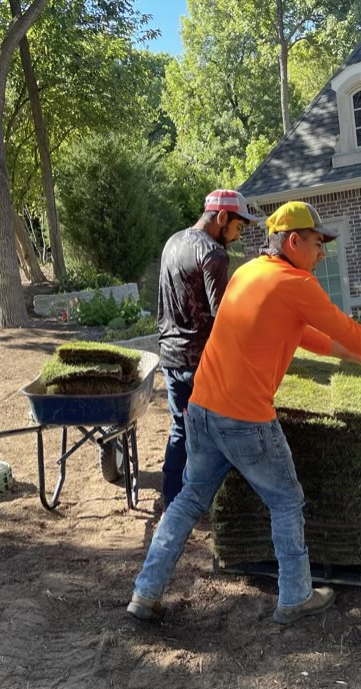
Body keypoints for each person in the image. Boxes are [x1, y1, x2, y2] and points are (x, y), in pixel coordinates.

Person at [128, 201, 361, 625]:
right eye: (317, 243)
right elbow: (339, 325)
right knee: (287, 499)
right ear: (293, 241)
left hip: (201, 409)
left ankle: (145, 593)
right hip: (245, 419)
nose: (322, 252)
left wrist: (355, 357)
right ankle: (295, 596)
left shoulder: (248, 273)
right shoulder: (296, 282)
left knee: (187, 501)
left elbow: (304, 333)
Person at [156, 189, 263, 511]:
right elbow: (224, 316)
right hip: (199, 360)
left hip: (169, 355)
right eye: (238, 228)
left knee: (181, 427)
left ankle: (172, 498)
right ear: (222, 218)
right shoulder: (214, 253)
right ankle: (224, 504)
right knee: (223, 429)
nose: (237, 235)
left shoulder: (173, 242)